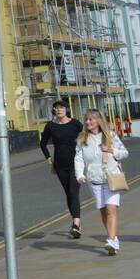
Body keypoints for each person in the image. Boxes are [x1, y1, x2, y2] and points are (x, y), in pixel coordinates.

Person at [74, 109, 128, 255]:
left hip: (111, 178)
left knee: (111, 209)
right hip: (94, 180)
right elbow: (78, 158)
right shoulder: (82, 139)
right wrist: (79, 174)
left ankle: (110, 240)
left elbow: (124, 153)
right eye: (86, 120)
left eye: (91, 119)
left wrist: (111, 150)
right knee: (103, 211)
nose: (88, 122)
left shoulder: (109, 136)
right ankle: (113, 238)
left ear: (98, 121)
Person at [40, 100, 85, 238]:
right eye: (56, 108)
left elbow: (86, 136)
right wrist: (49, 158)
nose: (59, 110)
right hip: (59, 164)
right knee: (68, 193)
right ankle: (75, 222)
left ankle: (76, 223)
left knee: (73, 191)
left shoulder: (75, 124)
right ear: (54, 111)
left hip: (76, 163)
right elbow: (42, 143)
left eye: (61, 107)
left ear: (66, 109)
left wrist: (86, 154)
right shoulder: (50, 126)